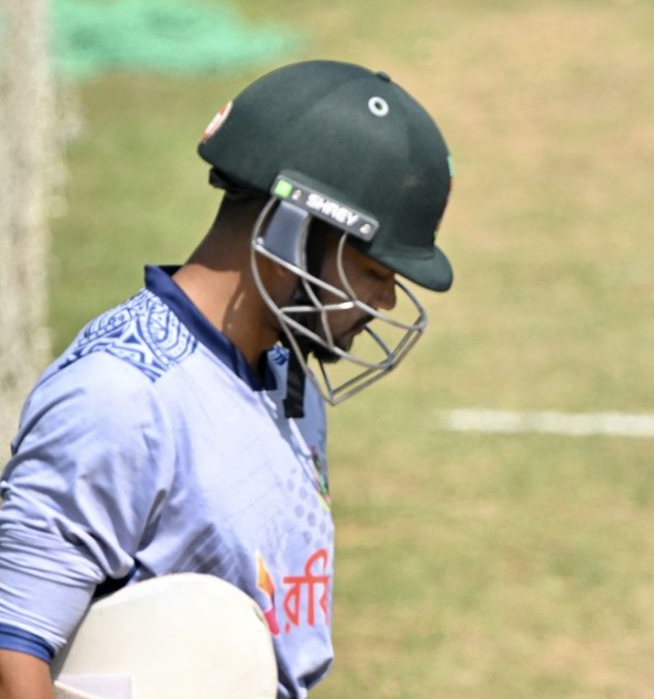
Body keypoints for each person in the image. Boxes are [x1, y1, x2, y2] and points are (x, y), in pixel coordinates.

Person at [0, 60, 456, 698]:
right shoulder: (121, 397)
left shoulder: (285, 378)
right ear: (289, 231)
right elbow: (12, 648)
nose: (384, 302)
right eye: (376, 272)